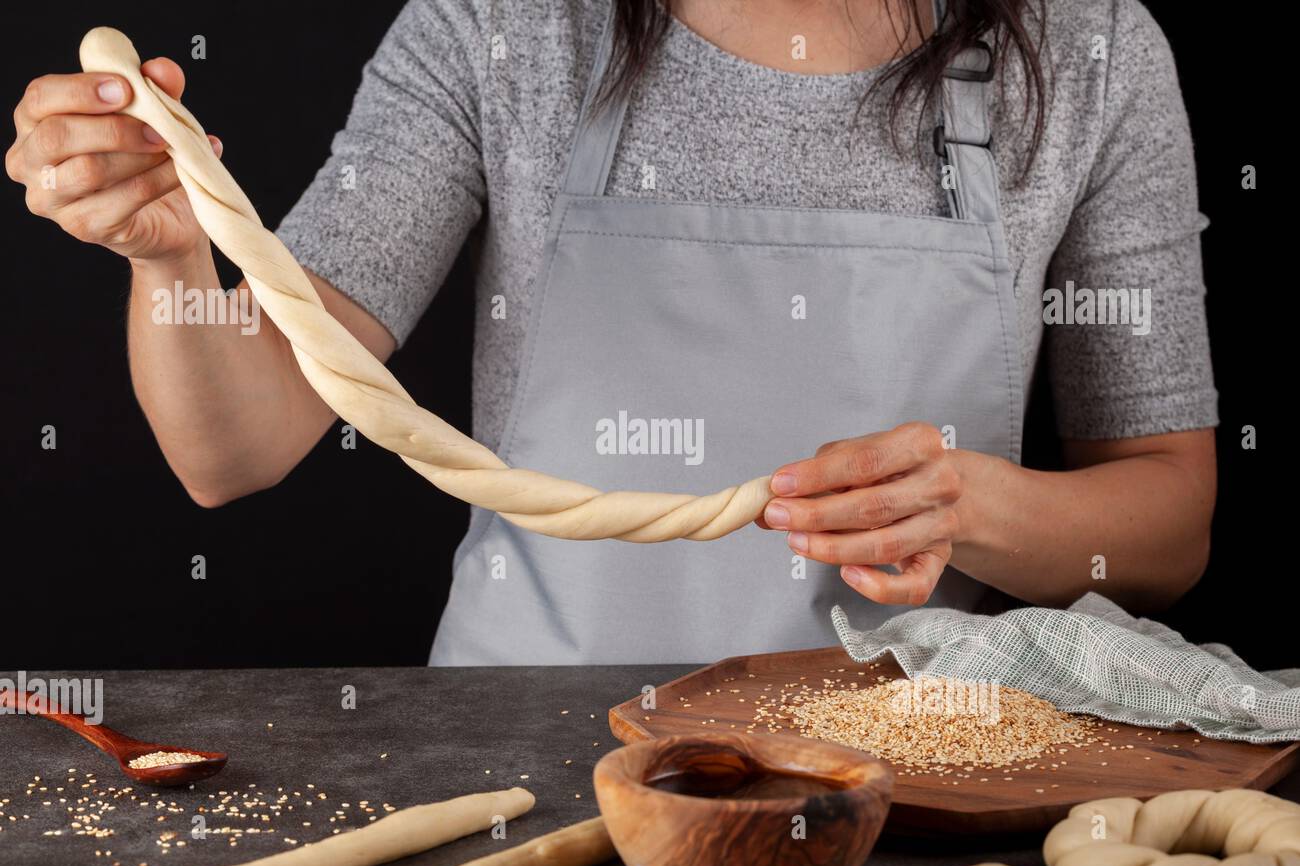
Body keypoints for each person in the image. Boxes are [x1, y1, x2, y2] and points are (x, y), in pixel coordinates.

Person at [7, 0, 1217, 664]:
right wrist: (170, 255)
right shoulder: (503, 27)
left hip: (905, 788)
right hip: (526, 767)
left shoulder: (1088, 50)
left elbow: (1166, 530)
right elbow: (237, 448)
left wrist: (969, 508)